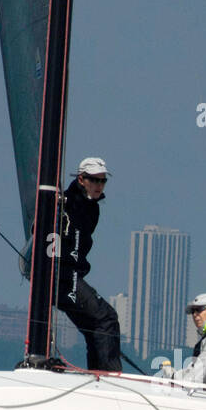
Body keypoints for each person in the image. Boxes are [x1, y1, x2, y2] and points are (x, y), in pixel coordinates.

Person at [57, 157, 122, 371]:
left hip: (73, 274)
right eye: (94, 180)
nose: (99, 186)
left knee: (94, 326)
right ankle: (110, 377)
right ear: (81, 179)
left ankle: (97, 375)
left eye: (103, 181)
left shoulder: (92, 208)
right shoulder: (67, 202)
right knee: (107, 318)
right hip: (62, 275)